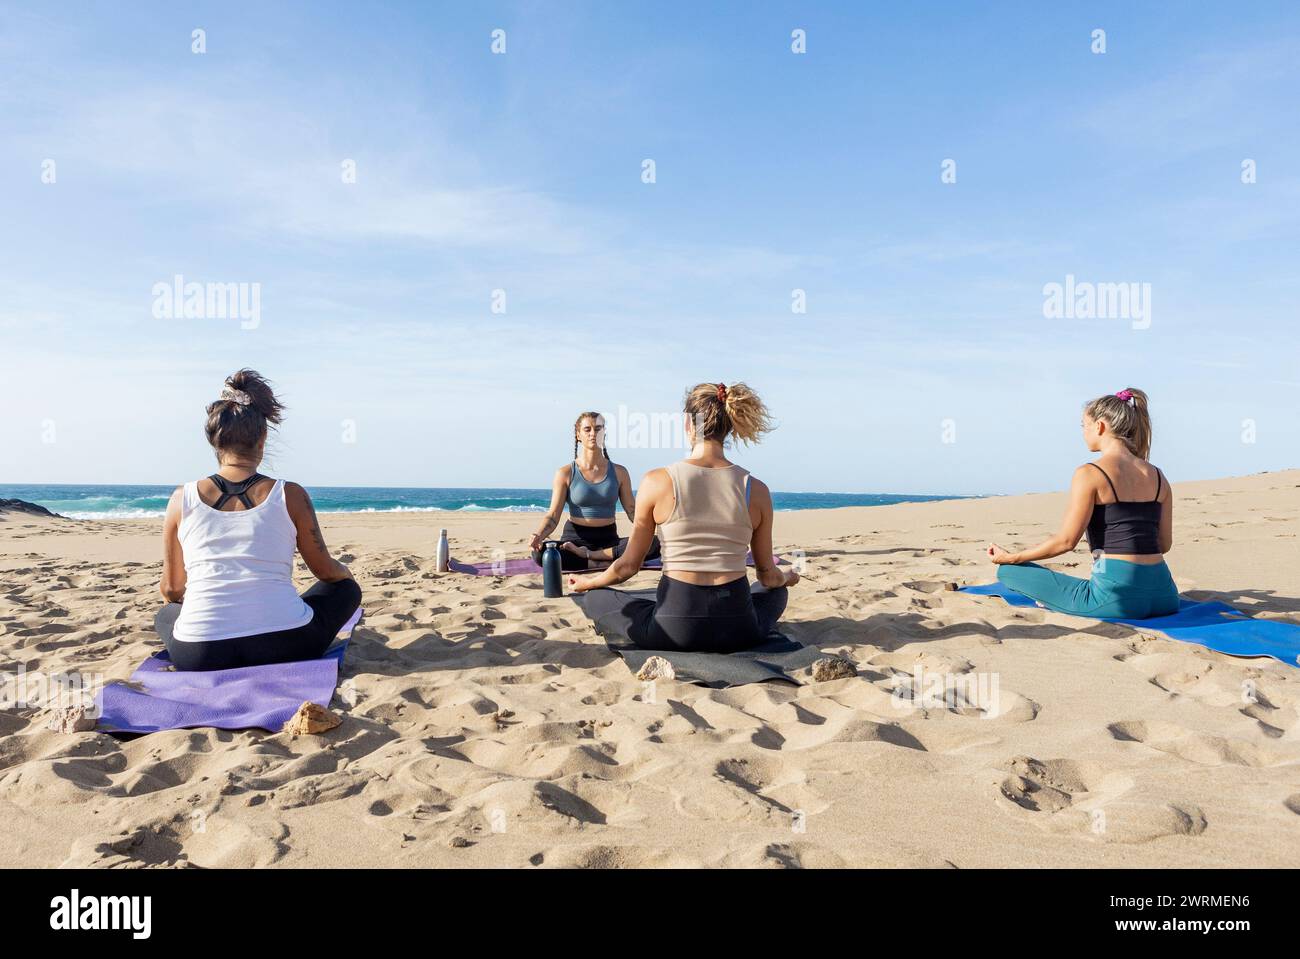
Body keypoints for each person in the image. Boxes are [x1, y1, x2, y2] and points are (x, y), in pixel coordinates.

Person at [155, 370, 362, 670]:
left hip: (201, 654)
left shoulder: (180, 499)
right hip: (286, 644)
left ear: (213, 440)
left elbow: (172, 590)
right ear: (262, 438)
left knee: (165, 614)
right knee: (346, 591)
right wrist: (346, 574)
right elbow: (326, 571)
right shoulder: (290, 494)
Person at [571, 382, 799, 653]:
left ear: (688, 425)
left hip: (674, 628)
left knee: (598, 598)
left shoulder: (657, 481)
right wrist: (787, 577)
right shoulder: (757, 489)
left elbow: (627, 567)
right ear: (730, 427)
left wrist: (588, 583)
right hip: (738, 629)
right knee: (776, 592)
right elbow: (767, 577)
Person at [987, 387, 1178, 619]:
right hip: (1166, 597)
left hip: (1117, 601)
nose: (1083, 432)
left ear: (1099, 426)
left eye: (1083, 425)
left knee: (1008, 572)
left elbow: (1065, 542)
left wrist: (1011, 557)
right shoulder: (1158, 476)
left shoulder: (1090, 473)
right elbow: (1164, 544)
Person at [528, 411, 659, 571]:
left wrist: (658, 530)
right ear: (578, 435)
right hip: (574, 542)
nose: (593, 433)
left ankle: (591, 557)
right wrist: (539, 535)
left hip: (609, 542)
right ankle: (605, 562)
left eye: (598, 429)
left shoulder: (619, 472)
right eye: (587, 429)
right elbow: (553, 516)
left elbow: (633, 512)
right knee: (541, 554)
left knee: (655, 543)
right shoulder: (565, 473)